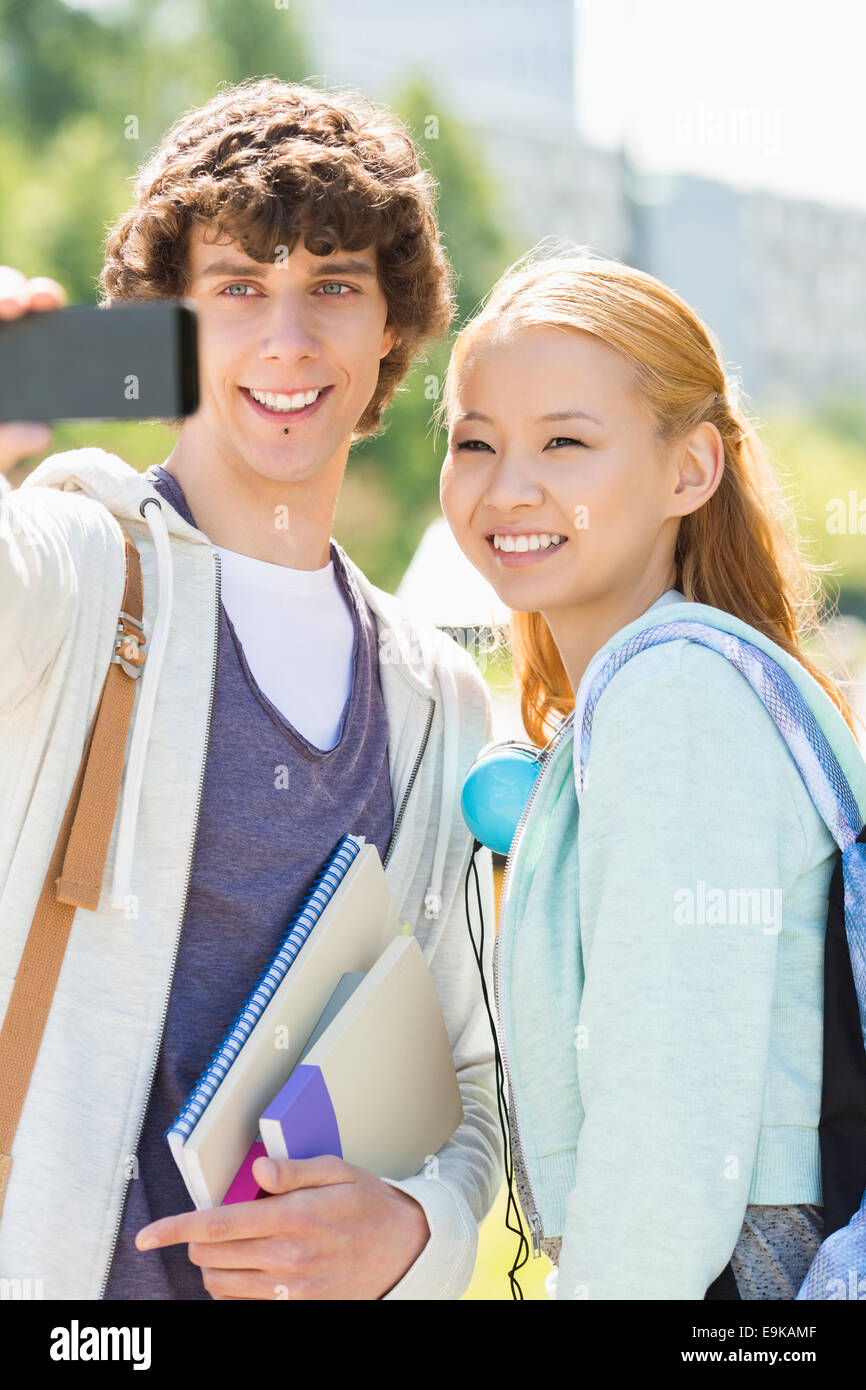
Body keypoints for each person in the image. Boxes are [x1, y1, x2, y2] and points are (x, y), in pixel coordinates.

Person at [0, 77, 502, 1301]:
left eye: (332, 284)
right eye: (237, 289)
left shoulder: (435, 696)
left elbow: (474, 1086)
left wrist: (414, 1229)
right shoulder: (73, 566)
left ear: (392, 324)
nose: (287, 340)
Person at [436, 242, 866, 1300]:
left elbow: (664, 1136)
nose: (508, 486)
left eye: (565, 441)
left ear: (689, 469)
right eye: (475, 440)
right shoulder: (679, 682)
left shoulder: (676, 696)